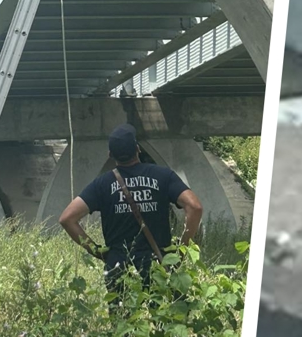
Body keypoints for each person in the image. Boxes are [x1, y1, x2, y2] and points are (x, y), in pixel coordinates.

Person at [59, 124, 204, 295]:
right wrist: (182, 249)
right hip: (158, 264)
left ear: (110, 155)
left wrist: (97, 251)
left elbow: (67, 218)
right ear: (137, 149)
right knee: (164, 311)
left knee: (122, 311)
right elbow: (195, 206)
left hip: (119, 266)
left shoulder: (102, 184)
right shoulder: (163, 175)